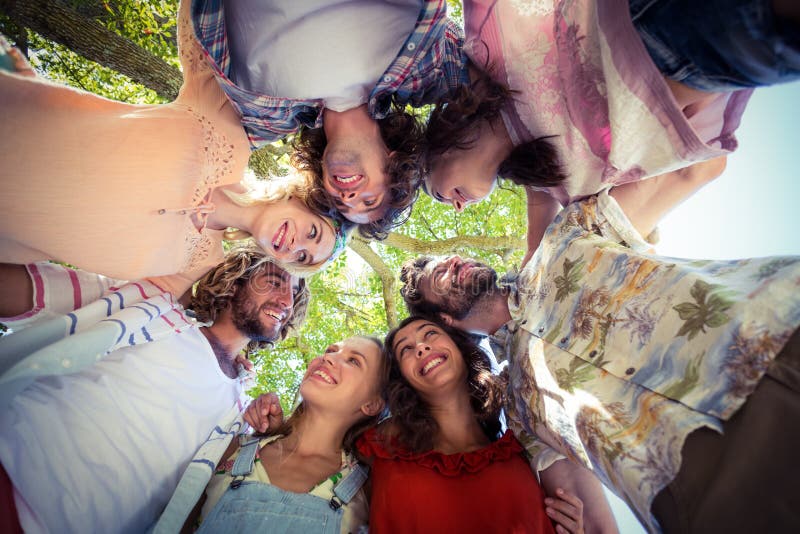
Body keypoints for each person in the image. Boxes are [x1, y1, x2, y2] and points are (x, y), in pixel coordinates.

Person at [399, 178, 800, 531]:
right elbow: (586, 517)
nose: (455, 261)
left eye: (452, 258)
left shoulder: (566, 237)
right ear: (447, 320)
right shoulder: (517, 406)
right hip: (705, 488)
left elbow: (693, 169)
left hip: (777, 330)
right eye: (441, 274)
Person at [0, 0, 347, 297]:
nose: (296, 245)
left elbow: (118, 309)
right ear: (302, 198)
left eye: (302, 258)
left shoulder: (191, 270)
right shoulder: (229, 132)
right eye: (312, 232)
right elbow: (203, 22)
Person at [421, 0, 798, 250]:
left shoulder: (477, 67)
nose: (455, 207)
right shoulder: (542, 178)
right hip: (702, 71)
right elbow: (537, 249)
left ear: (440, 145)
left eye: (437, 193)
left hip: (644, 21)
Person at [0, 245, 309, 533]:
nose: (286, 301)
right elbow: (32, 292)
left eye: (293, 294)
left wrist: (269, 437)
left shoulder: (242, 415)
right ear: (234, 282)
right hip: (10, 465)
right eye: (273, 281)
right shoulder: (153, 310)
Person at [191, 0, 469, 238]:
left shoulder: (261, 123)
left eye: (342, 204)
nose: (348, 198)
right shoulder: (424, 73)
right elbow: (496, 77)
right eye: (369, 201)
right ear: (394, 162)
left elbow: (195, 170)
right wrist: (465, 186)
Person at [358, 316, 611, 534]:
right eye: (406, 350)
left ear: (459, 348)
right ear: (402, 379)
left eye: (431, 334)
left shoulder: (519, 451)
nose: (421, 348)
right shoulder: (381, 444)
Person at [188, 335, 390, 533]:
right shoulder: (233, 448)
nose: (327, 357)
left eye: (354, 361)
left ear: (372, 404)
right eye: (330, 350)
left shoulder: (368, 490)